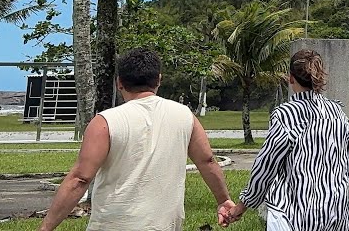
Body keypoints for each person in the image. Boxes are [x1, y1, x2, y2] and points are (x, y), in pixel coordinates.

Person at [38, 48, 233, 231]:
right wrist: (223, 200)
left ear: (119, 82)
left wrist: (46, 227)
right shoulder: (185, 116)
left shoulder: (105, 122)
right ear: (158, 80)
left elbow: (80, 179)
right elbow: (207, 161)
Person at [220, 49, 349, 230]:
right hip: (338, 214)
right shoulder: (338, 113)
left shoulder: (286, 115)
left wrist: (242, 206)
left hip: (294, 216)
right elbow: (345, 164)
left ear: (291, 78)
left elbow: (266, 166)